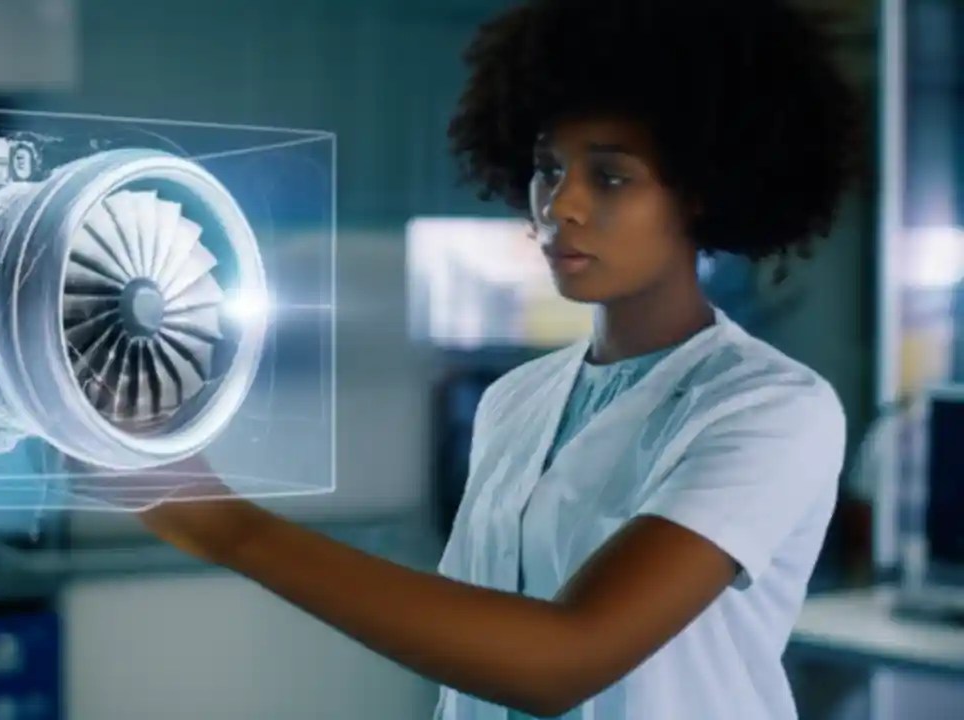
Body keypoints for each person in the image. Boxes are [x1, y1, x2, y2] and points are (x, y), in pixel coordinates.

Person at [134, 0, 862, 717]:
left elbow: (561, 661)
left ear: (701, 192)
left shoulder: (771, 409)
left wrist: (229, 528)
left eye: (609, 177)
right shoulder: (515, 400)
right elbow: (473, 660)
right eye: (548, 169)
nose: (559, 206)